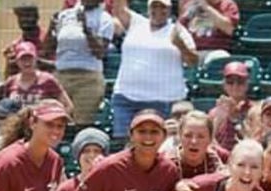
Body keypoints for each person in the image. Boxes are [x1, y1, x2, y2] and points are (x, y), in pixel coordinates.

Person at [109, 0, 198, 138]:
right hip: (127, 100)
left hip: (164, 102)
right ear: (148, 8)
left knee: (162, 149)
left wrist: (180, 44)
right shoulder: (136, 22)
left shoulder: (178, 30)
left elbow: (193, 61)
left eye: (163, 7)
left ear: (169, 10)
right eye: (154, 6)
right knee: (124, 147)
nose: (158, 11)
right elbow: (118, 8)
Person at [49, 0, 116, 128]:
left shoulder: (105, 19)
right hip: (61, 75)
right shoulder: (65, 15)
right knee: (56, 120)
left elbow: (100, 52)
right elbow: (48, 48)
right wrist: (51, 28)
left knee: (81, 124)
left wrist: (86, 28)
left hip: (88, 79)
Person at [0, 41, 76, 114]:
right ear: (17, 61)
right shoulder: (11, 82)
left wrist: (53, 122)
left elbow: (68, 106)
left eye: (30, 58)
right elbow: (5, 109)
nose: (27, 63)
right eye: (23, 59)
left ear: (36, 59)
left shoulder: (48, 80)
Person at [209, 62, 256, 151]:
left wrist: (235, 118)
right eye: (230, 82)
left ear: (247, 84)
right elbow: (208, 140)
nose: (235, 86)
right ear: (224, 85)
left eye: (240, 82)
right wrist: (218, 120)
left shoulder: (254, 110)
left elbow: (254, 141)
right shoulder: (215, 112)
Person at [4, 4, 56, 77]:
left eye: (28, 16)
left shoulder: (49, 40)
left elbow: (57, 67)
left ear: (37, 17)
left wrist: (34, 60)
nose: (24, 20)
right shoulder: (15, 45)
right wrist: (11, 65)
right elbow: (9, 78)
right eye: (20, 16)